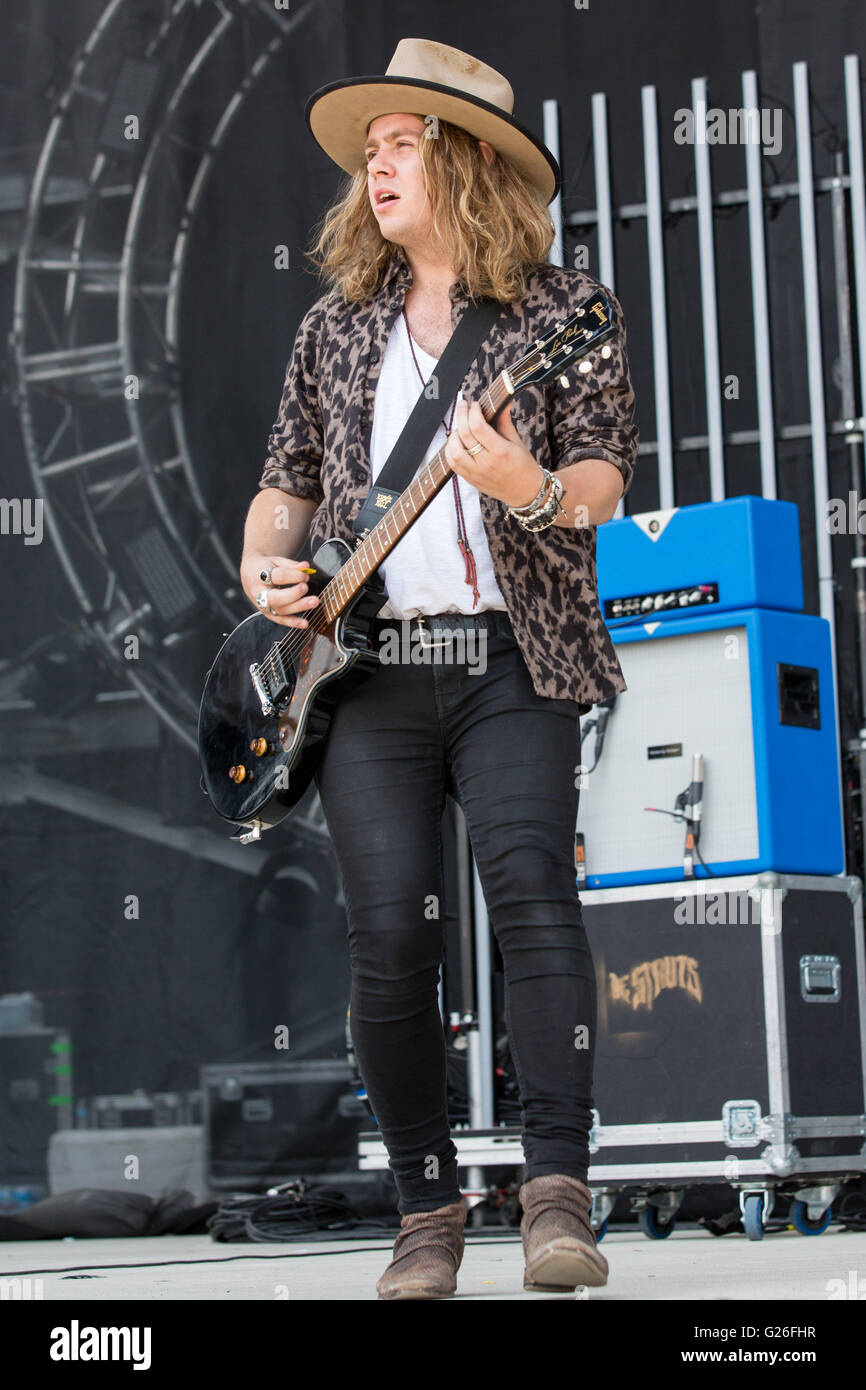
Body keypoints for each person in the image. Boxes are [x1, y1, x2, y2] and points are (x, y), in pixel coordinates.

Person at [239, 39, 639, 1299]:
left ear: (464, 163)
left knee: (533, 901)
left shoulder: (562, 310)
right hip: (366, 676)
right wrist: (265, 569)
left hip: (510, 653)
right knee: (387, 944)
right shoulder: (332, 327)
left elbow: (601, 479)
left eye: (401, 141)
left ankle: (558, 1198)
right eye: (372, 150)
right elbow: (282, 488)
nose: (378, 161)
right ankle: (425, 1211)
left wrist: (525, 484)